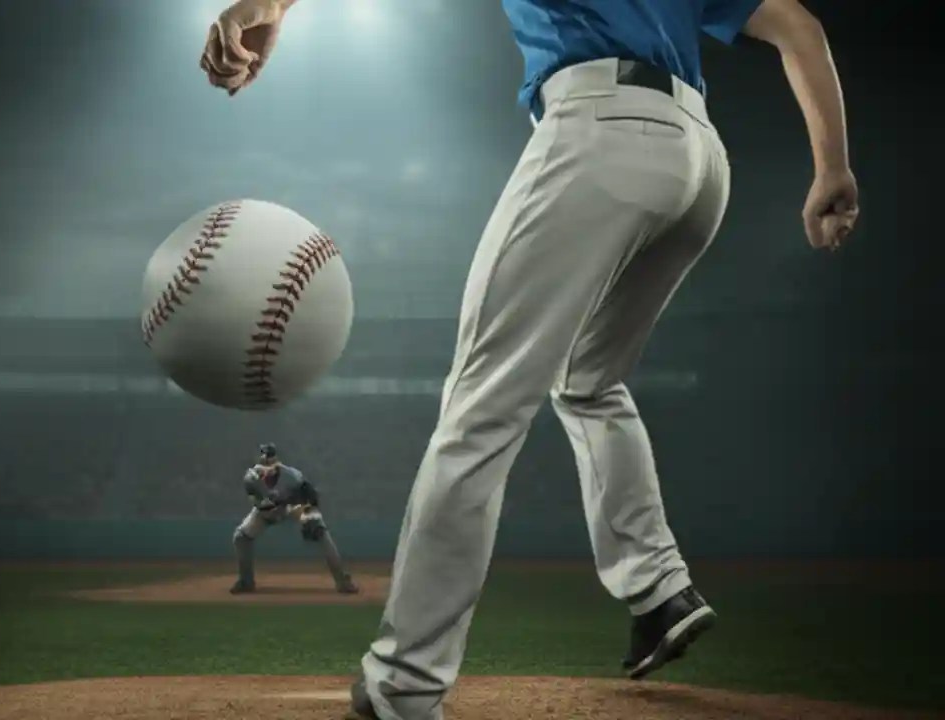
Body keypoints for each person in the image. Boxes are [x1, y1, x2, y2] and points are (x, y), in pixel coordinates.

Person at [200, 0, 859, 717]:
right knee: (588, 381)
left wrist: (263, 6)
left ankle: (405, 682)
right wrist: (833, 167)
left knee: (479, 410)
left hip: (600, 129)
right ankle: (659, 588)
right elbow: (799, 25)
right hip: (698, 162)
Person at [230, 442, 360, 595]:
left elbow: (310, 494)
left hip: (295, 505)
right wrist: (272, 501)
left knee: (320, 532)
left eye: (270, 458)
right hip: (267, 511)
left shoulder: (291, 475)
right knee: (241, 537)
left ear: (276, 460)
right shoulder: (250, 479)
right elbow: (261, 504)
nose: (267, 462)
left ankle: (342, 582)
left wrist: (310, 516)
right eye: (264, 459)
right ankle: (246, 581)